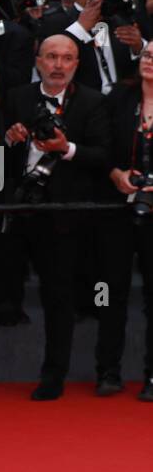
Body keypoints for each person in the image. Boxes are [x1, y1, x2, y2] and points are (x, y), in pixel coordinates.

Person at [0, 34, 109, 400]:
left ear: (77, 64)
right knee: (3, 283)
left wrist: (67, 149)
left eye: (67, 58)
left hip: (63, 213)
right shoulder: (18, 96)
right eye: (52, 57)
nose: (59, 65)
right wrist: (10, 138)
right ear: (38, 60)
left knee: (57, 296)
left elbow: (103, 156)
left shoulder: (92, 102)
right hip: (19, 208)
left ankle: (54, 375)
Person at [97, 50, 153, 400]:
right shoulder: (120, 96)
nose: (149, 60)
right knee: (110, 293)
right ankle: (108, 371)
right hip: (117, 208)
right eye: (147, 54)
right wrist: (115, 173)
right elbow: (101, 144)